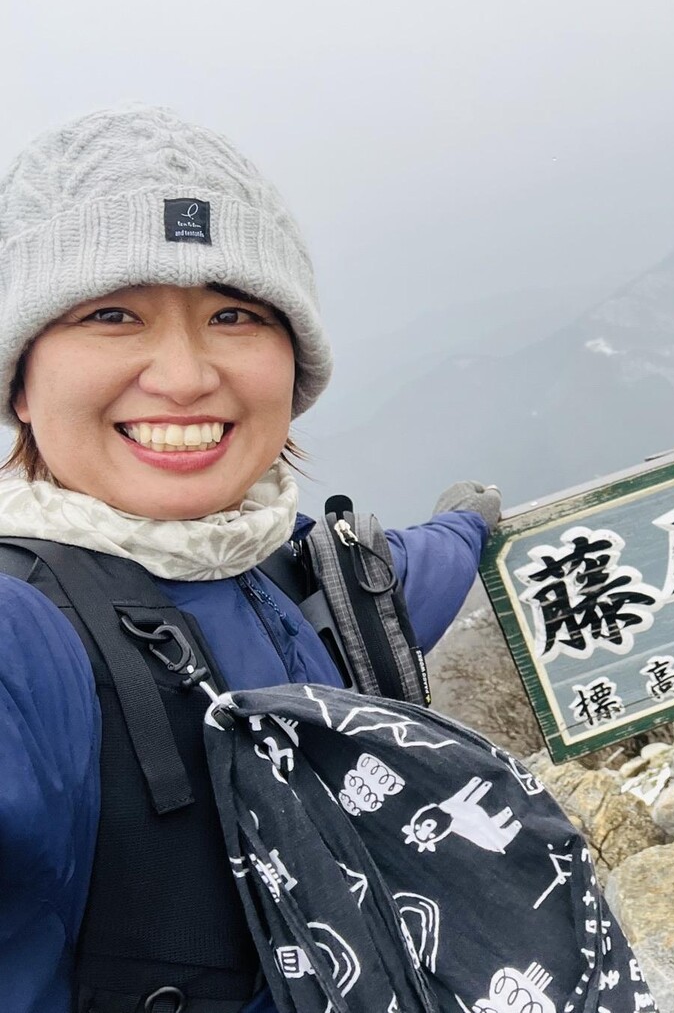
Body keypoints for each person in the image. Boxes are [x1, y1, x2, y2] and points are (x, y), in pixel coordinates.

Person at [0, 106, 501, 1012]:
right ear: (20, 382)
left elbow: (415, 568)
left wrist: (471, 524)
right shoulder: (23, 634)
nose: (186, 375)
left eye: (233, 313)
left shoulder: (304, 577)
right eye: (111, 314)